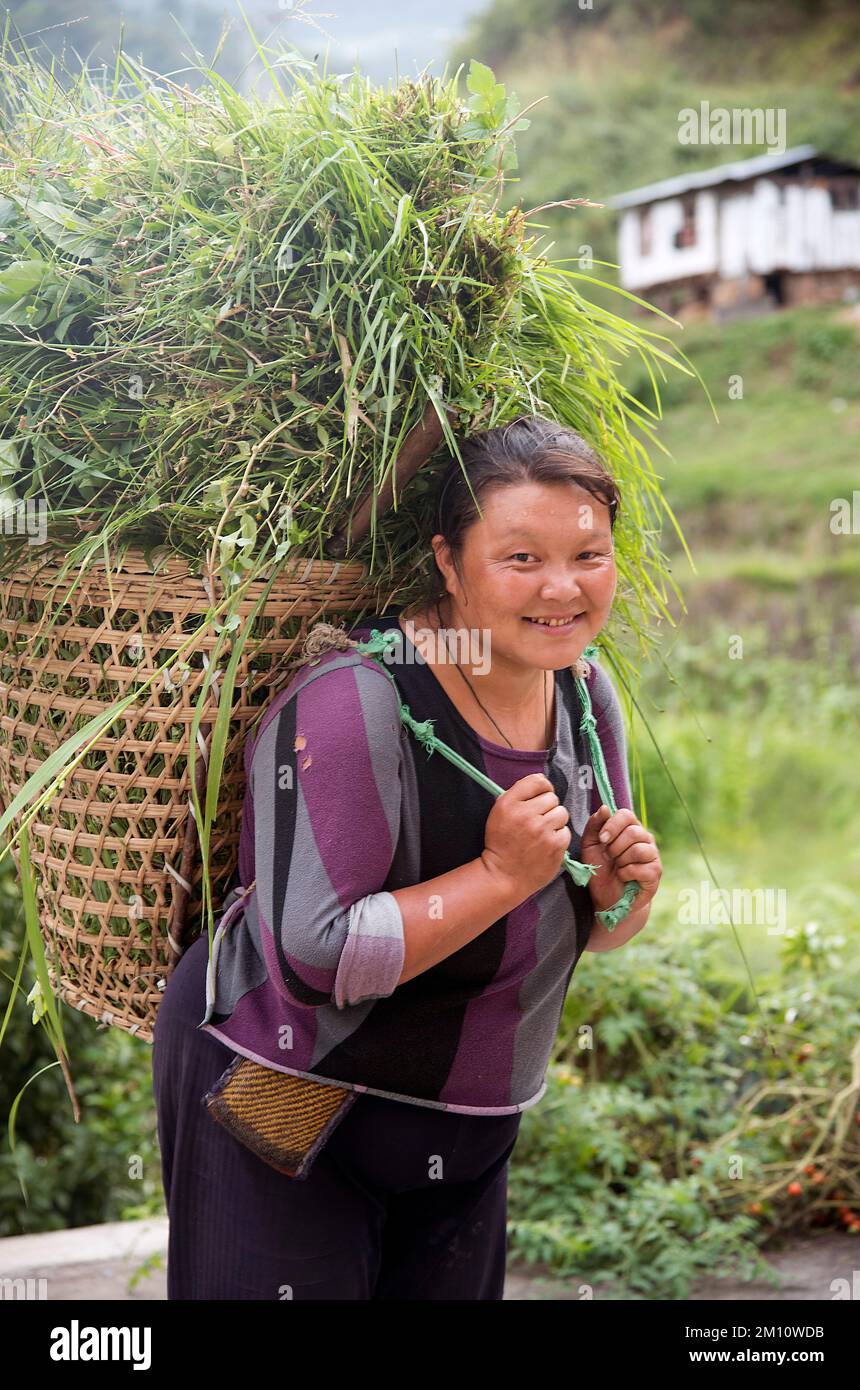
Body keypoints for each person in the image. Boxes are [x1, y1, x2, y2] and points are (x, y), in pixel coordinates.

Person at [151, 414, 663, 1300]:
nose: (562, 588)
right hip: (292, 1099)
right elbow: (318, 958)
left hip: (468, 1122)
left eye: (588, 555)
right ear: (447, 561)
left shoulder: (584, 694)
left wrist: (615, 895)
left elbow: (588, 928)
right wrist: (498, 875)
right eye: (520, 558)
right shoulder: (360, 701)